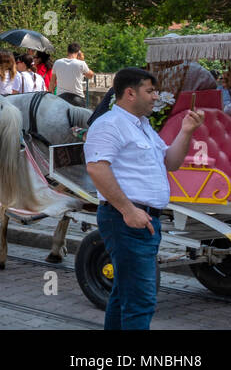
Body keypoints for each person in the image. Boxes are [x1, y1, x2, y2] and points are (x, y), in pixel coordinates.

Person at [85, 67, 204, 330]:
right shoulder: (109, 125)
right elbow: (96, 168)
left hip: (143, 219)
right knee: (141, 299)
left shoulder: (143, 126)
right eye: (150, 91)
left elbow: (170, 163)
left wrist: (186, 131)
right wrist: (128, 210)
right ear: (130, 93)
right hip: (126, 220)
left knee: (124, 294)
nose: (155, 97)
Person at [51, 42, 94, 107]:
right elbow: (90, 75)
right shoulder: (81, 63)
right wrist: (82, 60)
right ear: (78, 52)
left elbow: (52, 81)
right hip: (77, 98)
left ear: (67, 51)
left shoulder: (57, 62)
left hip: (61, 98)